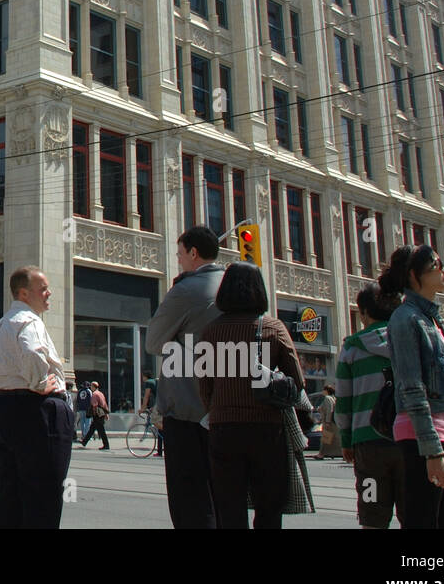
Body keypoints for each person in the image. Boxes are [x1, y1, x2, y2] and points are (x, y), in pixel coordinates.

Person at [198, 262, 305, 529]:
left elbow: (204, 385)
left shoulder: (210, 331)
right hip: (267, 429)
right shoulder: (274, 327)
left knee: (229, 507)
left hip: (224, 428)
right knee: (269, 508)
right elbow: (298, 382)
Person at [383, 245, 444, 529]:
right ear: (415, 276)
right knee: (423, 520)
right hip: (421, 436)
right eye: (437, 265)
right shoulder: (405, 319)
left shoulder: (432, 319)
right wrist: (432, 451)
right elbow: (411, 387)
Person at [145, 225, 225, 529]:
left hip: (189, 411)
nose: (178, 260)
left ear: (193, 253)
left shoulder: (187, 290)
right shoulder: (235, 285)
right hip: (230, 411)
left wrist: (179, 342)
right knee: (224, 499)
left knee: (191, 500)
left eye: (180, 254)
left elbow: (152, 342)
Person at [0, 266, 71, 529]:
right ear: (23, 293)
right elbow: (32, 352)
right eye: (42, 288)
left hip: (2, 408)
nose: (48, 293)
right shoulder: (29, 321)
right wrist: (42, 382)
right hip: (35, 413)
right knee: (43, 496)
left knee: (9, 492)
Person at [336, 283, 406, 529]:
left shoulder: (352, 348)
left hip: (367, 443)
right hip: (409, 440)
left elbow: (343, 401)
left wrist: (346, 438)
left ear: (364, 312)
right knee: (413, 512)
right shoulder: (408, 339)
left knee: (371, 511)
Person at [138, 371, 163, 457]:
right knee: (160, 429)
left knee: (154, 420)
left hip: (160, 403)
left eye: (142, 376)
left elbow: (146, 396)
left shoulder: (148, 382)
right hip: (163, 403)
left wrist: (142, 408)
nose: (142, 378)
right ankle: (159, 451)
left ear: (145, 376)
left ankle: (168, 433)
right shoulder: (155, 381)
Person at [80, 380, 110, 449]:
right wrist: (106, 413)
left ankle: (106, 445)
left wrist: (93, 414)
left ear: (93, 387)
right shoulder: (100, 393)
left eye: (91, 386)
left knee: (101, 430)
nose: (90, 387)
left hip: (97, 414)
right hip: (101, 413)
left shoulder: (95, 394)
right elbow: (104, 404)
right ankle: (84, 442)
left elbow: (94, 405)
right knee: (92, 428)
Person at [315, 385, 340, 458]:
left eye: (324, 390)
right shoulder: (333, 398)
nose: (323, 391)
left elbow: (329, 410)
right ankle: (333, 453)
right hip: (332, 422)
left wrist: (327, 421)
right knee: (332, 439)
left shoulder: (327, 398)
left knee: (325, 439)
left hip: (327, 422)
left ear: (326, 391)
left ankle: (321, 454)